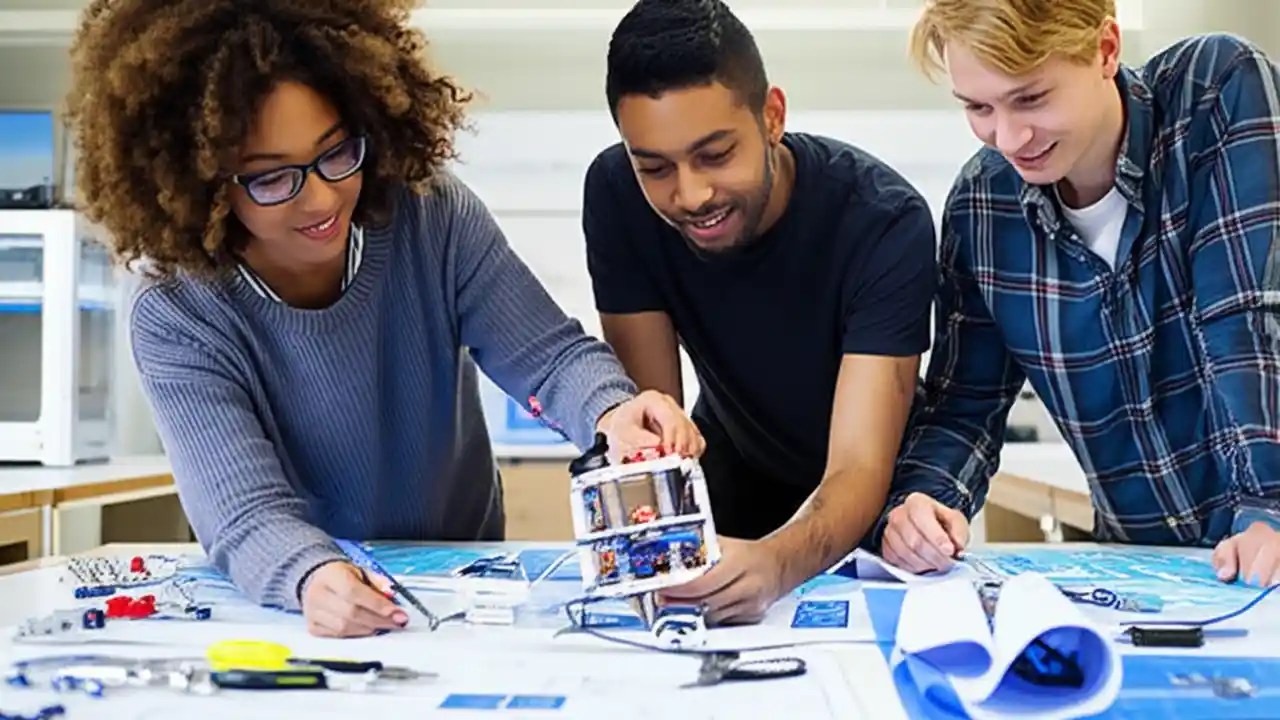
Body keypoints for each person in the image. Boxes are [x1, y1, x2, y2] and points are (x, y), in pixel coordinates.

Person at [65, 0, 703, 638]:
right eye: (270, 179)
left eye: (337, 152)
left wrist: (610, 412)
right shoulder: (177, 308)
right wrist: (311, 573)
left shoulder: (431, 216)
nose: (320, 198)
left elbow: (549, 357)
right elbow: (243, 512)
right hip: (312, 597)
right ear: (200, 183)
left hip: (460, 577)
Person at [878, 0, 1280, 586]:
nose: (1010, 138)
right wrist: (922, 503)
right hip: (1153, 578)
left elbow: (1244, 318)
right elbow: (964, 407)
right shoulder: (982, 208)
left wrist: (1269, 503)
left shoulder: (1214, 91)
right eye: (979, 107)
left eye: (1031, 98)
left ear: (1106, 49)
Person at [583, 0, 937, 623]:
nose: (690, 195)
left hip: (878, 510)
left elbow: (857, 466)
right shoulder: (616, 195)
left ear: (772, 116)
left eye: (716, 155)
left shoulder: (884, 223)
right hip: (734, 476)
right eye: (655, 168)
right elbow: (652, 430)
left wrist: (777, 564)